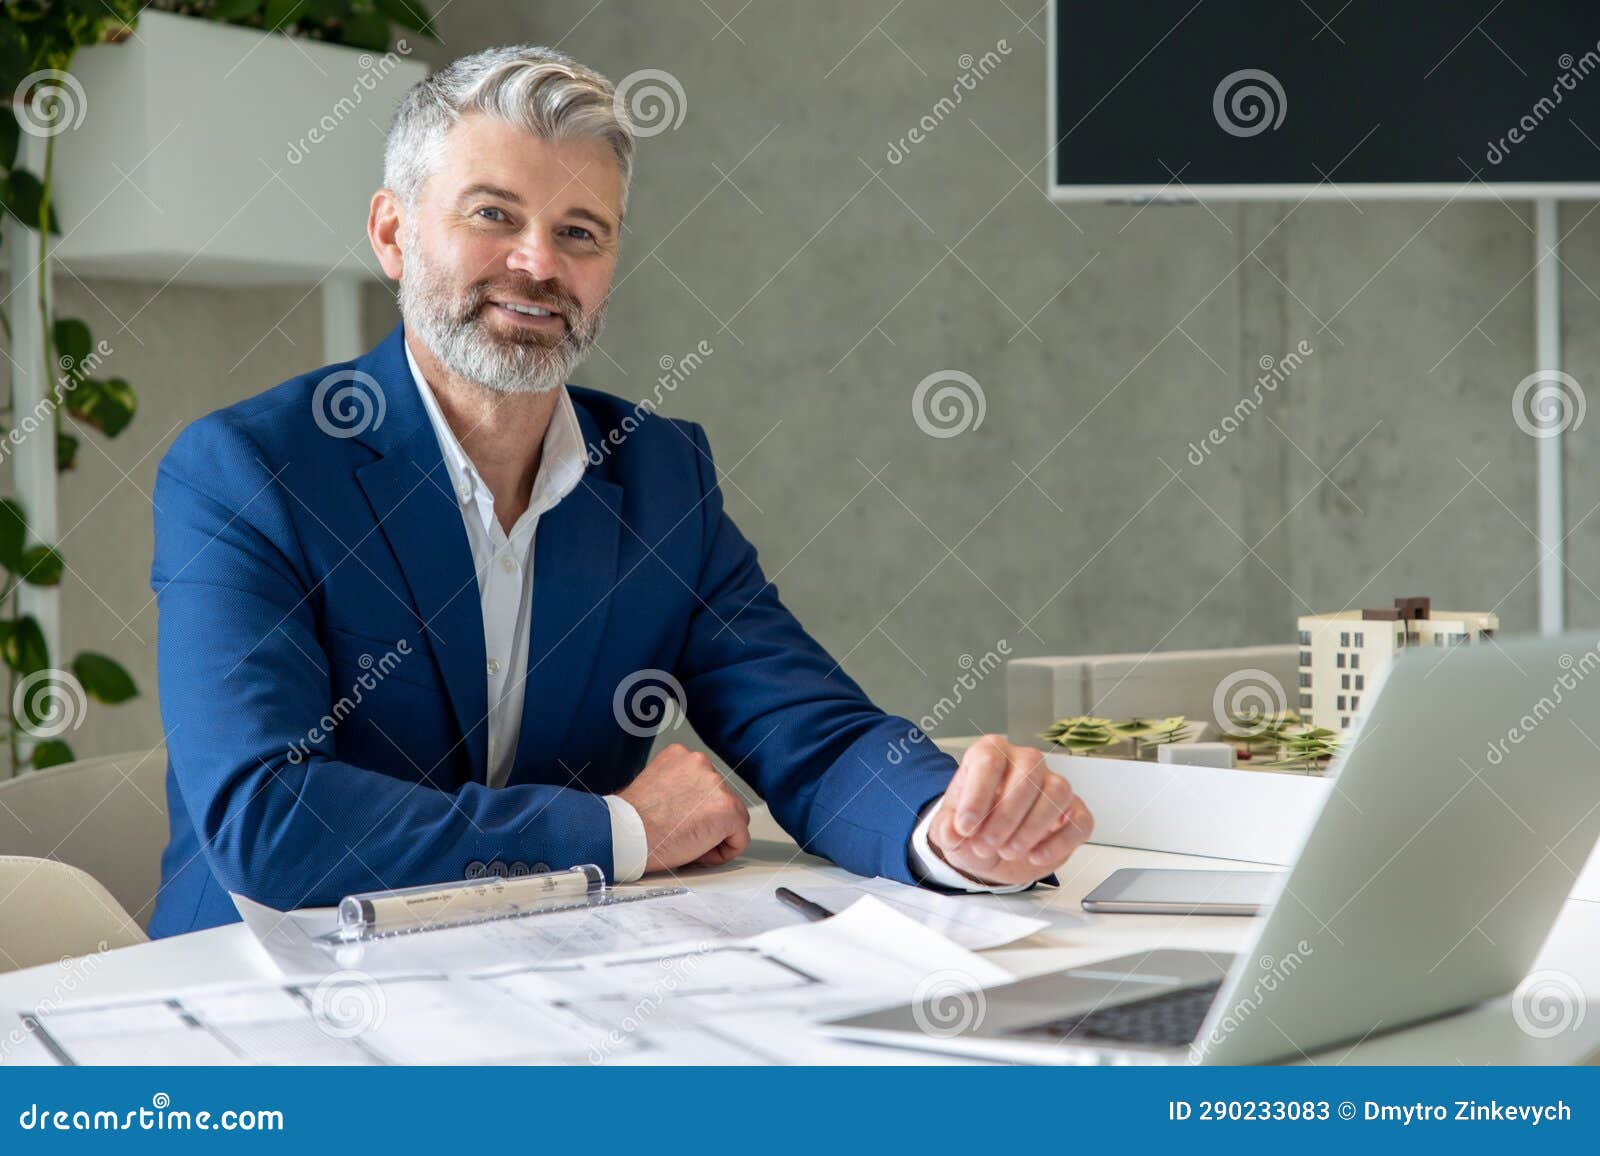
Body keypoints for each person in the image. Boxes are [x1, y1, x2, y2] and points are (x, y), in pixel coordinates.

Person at [147, 45, 1092, 937]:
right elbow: (268, 821)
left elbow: (813, 733)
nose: (538, 263)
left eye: (580, 232)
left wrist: (949, 831)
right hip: (256, 1000)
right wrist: (617, 834)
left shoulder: (658, 475)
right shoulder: (246, 472)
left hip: (547, 986)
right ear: (394, 234)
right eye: (492, 215)